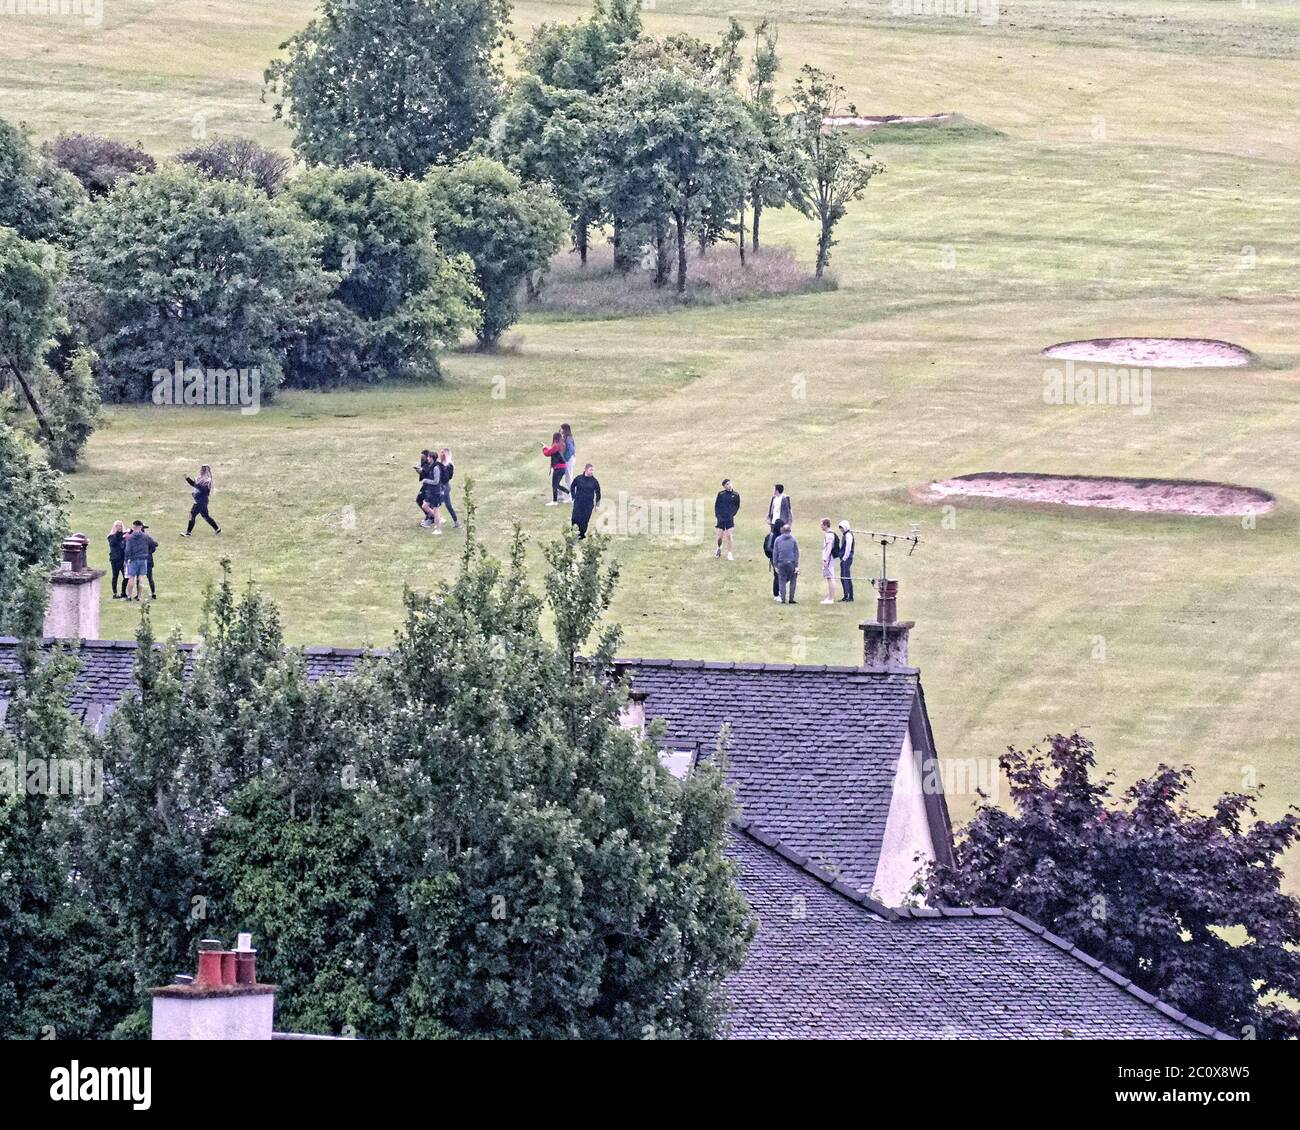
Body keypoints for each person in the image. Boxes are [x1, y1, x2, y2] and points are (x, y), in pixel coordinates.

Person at [765, 484, 792, 598]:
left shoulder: (785, 499)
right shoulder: (773, 498)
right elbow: (771, 509)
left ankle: (779, 588)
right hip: (774, 523)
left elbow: (788, 511)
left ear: (777, 490)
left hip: (781, 522)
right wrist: (768, 518)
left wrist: (788, 524)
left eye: (774, 489)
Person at [181, 465, 220, 536]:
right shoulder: (201, 479)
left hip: (200, 501)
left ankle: (188, 533)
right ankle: (217, 529)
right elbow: (194, 484)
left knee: (192, 515)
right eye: (201, 470)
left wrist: (196, 485)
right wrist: (187, 478)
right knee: (206, 516)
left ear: (205, 471)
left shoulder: (206, 480)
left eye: (202, 470)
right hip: (202, 501)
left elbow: (203, 489)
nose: (200, 471)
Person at [570, 463, 601, 538]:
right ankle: (574, 533)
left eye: (592, 470)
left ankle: (582, 535)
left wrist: (597, 505)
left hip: (588, 504)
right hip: (578, 502)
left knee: (585, 519)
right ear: (586, 470)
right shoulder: (579, 478)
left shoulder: (594, 481)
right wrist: (573, 497)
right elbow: (572, 486)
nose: (592, 472)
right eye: (590, 470)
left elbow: (598, 493)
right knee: (575, 518)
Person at [772, 523, 799, 604]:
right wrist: (796, 566)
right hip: (791, 563)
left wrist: (775, 564)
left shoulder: (777, 540)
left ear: (782, 530)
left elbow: (775, 553)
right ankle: (791, 599)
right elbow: (796, 553)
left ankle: (783, 599)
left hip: (781, 563)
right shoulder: (793, 540)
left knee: (782, 581)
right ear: (790, 531)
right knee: (793, 581)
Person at [124, 520, 151, 600]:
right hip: (143, 559)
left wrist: (126, 559)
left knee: (131, 577)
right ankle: (139, 596)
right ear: (141, 527)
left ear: (134, 527)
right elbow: (154, 543)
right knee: (141, 578)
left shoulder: (130, 537)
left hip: (133, 559)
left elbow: (127, 549)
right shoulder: (146, 536)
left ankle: (129, 596)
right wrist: (147, 552)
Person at [714, 479, 740, 560]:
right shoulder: (721, 494)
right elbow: (717, 506)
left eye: (730, 483)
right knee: (720, 537)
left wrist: (732, 514)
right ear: (724, 486)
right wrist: (718, 516)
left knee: (729, 535)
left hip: (729, 518)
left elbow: (737, 505)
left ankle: (729, 553)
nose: (729, 485)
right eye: (727, 484)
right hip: (721, 518)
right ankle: (719, 547)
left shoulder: (736, 495)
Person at [542, 432, 570, 505]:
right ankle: (570, 493)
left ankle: (555, 501)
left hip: (558, 468)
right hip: (562, 468)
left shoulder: (556, 445)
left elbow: (547, 453)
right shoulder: (562, 445)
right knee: (557, 485)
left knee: (555, 485)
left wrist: (544, 448)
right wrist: (547, 448)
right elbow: (552, 452)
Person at [419, 454, 444, 534]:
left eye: (428, 457)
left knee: (436, 510)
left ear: (432, 458)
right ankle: (439, 520)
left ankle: (438, 530)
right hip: (431, 492)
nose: (427, 459)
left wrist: (425, 480)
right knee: (424, 506)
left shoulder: (436, 468)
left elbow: (436, 481)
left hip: (436, 492)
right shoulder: (431, 466)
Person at [438, 448, 460, 530]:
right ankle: (435, 518)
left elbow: (448, 477)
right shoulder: (440, 463)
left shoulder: (448, 465)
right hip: (440, 486)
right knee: (436, 504)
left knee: (446, 505)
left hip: (444, 487)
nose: (440, 454)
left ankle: (436, 518)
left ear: (445, 455)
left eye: (442, 453)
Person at [107, 520, 127, 600]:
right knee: (115, 576)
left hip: (123, 558)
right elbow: (113, 543)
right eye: (117, 526)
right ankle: (115, 593)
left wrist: (124, 534)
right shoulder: (111, 536)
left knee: (126, 576)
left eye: (121, 526)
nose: (119, 527)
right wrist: (116, 533)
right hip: (115, 559)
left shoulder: (124, 536)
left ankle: (123, 592)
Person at [820, 518, 838, 604]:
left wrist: (825, 559)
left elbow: (829, 548)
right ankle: (829, 597)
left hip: (829, 558)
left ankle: (831, 598)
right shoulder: (828, 534)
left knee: (831, 577)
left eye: (822, 524)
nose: (821, 526)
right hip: (828, 558)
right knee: (829, 578)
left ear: (825, 525)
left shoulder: (830, 535)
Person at [414, 450, 435, 525]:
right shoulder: (424, 463)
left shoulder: (430, 464)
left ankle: (432, 517)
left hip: (429, 486)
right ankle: (429, 516)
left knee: (420, 500)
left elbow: (426, 473)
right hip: (426, 485)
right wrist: (418, 470)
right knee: (422, 501)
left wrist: (420, 470)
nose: (421, 458)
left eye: (423, 456)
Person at [838, 520, 856, 602]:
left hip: (847, 559)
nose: (841, 530)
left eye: (841, 528)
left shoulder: (848, 535)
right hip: (845, 559)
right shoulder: (845, 535)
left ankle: (849, 596)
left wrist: (844, 558)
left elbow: (848, 548)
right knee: (843, 577)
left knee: (846, 577)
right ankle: (846, 595)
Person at [144, 525, 159, 599]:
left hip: (140, 560)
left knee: (138, 578)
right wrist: (149, 552)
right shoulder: (147, 537)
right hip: (148, 560)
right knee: (150, 577)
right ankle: (153, 593)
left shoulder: (135, 537)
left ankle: (138, 595)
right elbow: (154, 545)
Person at [560, 423, 576, 494]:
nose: (560, 430)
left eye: (561, 428)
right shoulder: (566, 437)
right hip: (568, 459)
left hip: (569, 460)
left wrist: (566, 458)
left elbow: (571, 449)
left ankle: (572, 495)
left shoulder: (568, 438)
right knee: (568, 478)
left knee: (569, 477)